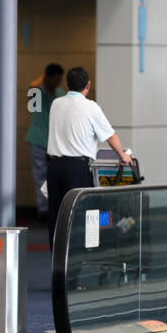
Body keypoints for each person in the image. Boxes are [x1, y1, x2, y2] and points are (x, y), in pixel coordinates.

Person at [46, 67, 133, 244]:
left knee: (56, 216)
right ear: (88, 84)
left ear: (67, 84)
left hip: (54, 168)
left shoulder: (56, 103)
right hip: (76, 168)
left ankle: (57, 259)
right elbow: (110, 136)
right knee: (80, 213)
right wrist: (123, 155)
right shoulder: (91, 107)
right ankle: (79, 257)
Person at [25, 63, 65, 217]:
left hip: (55, 141)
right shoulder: (36, 92)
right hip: (38, 139)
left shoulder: (61, 94)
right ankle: (43, 209)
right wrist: (43, 77)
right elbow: (32, 89)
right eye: (55, 79)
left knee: (54, 175)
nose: (57, 83)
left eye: (59, 80)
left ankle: (55, 207)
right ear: (46, 77)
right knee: (40, 175)